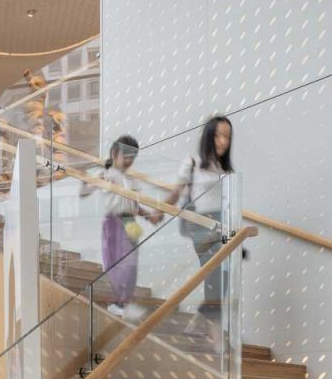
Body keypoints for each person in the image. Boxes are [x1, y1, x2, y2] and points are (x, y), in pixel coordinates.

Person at [160, 113, 237, 322]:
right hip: (200, 222)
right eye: (218, 136)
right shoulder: (193, 160)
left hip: (221, 224)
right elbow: (177, 192)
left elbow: (228, 202)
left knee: (223, 275)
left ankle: (203, 319)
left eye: (227, 137)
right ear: (209, 136)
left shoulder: (225, 169)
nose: (223, 141)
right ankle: (209, 323)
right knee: (215, 268)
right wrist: (157, 209)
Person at [97, 134, 149, 315]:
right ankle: (118, 302)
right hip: (114, 221)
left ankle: (125, 302)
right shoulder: (107, 174)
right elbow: (100, 184)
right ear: (114, 153)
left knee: (131, 264)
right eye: (125, 155)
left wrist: (148, 215)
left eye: (132, 157)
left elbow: (134, 204)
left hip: (130, 221)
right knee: (116, 262)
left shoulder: (131, 179)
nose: (129, 160)